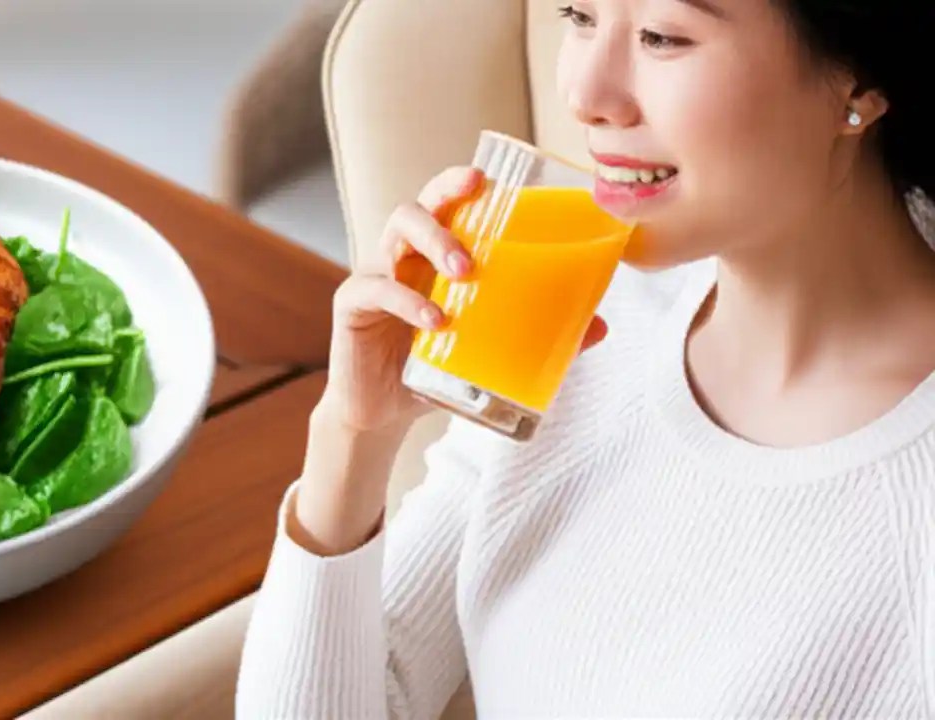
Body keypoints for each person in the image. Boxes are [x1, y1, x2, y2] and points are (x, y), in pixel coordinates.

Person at [234, 0, 935, 717]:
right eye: (577, 14)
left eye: (663, 37)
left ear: (859, 81)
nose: (584, 95)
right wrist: (354, 434)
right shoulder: (590, 315)